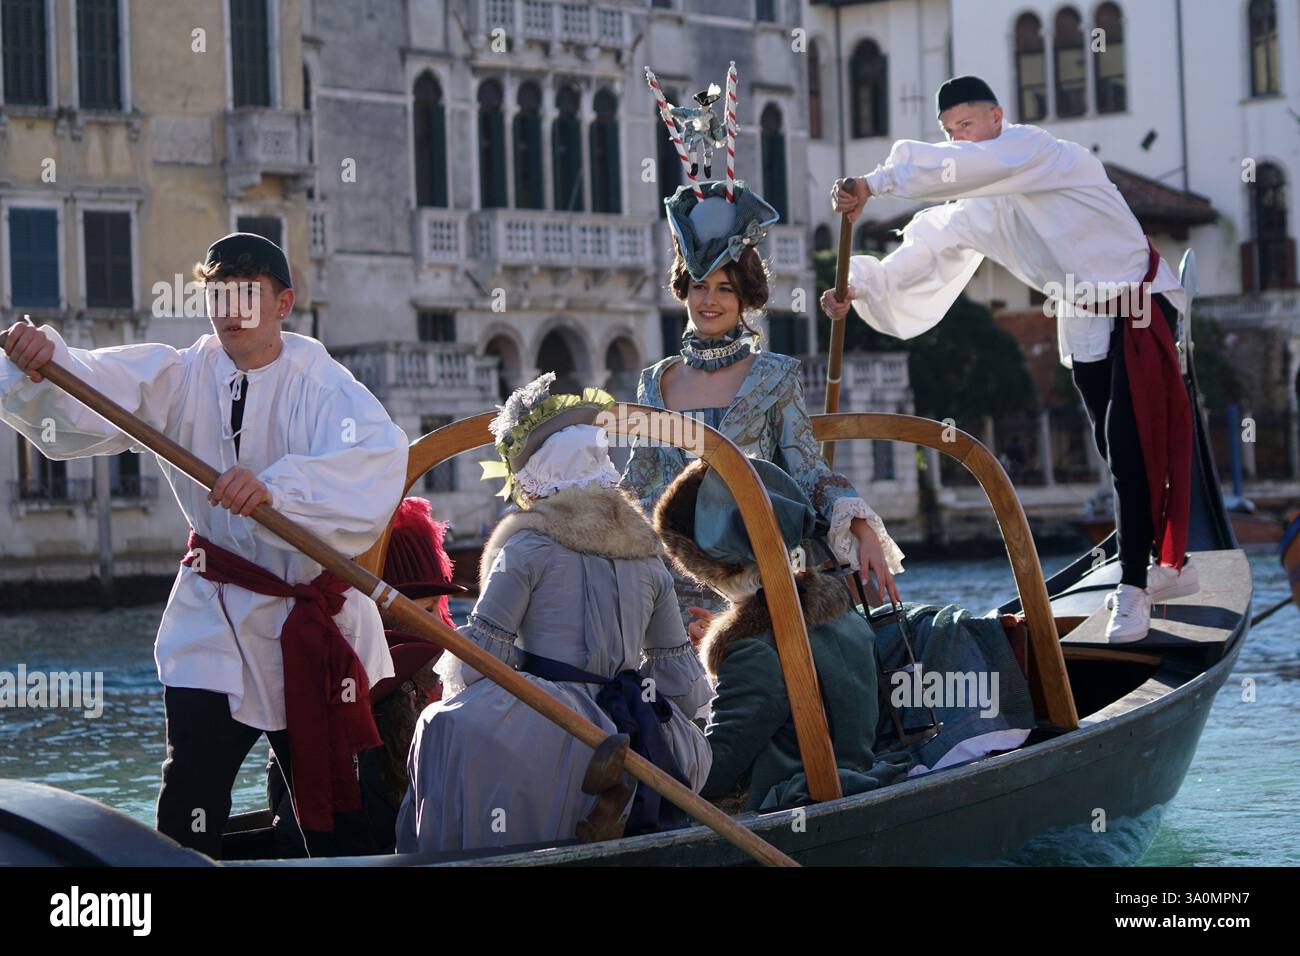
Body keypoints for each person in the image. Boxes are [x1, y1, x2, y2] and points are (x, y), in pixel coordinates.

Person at [0, 232, 409, 858]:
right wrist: (40, 358)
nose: (230, 310)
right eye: (218, 295)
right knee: (191, 781)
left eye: (248, 295)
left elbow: (376, 461)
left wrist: (275, 489)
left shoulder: (324, 384)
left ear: (283, 304)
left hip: (311, 622)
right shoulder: (183, 373)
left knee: (328, 802)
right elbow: (95, 381)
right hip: (214, 617)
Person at [822, 75, 1196, 643]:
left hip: (1139, 303)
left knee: (1128, 446)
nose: (961, 142)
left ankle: (1136, 587)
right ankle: (1159, 565)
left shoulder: (1040, 150)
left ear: (998, 117)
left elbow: (955, 169)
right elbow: (926, 247)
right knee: (1108, 445)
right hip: (1084, 311)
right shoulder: (981, 206)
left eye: (968, 127)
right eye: (950, 133)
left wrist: (876, 182)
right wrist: (858, 284)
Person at [624, 62, 904, 646]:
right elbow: (637, 489)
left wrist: (859, 523)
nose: (709, 300)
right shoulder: (656, 383)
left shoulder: (774, 376)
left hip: (759, 584)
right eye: (699, 286)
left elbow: (804, 470)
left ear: (745, 296)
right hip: (665, 593)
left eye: (724, 288)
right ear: (684, 291)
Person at [396, 374, 712, 855]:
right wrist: (680, 723)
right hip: (631, 719)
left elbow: (483, 656)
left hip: (552, 721)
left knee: (442, 727)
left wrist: (455, 694)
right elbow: (675, 672)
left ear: (539, 481)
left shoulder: (525, 544)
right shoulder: (647, 555)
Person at [653, 457, 913, 812]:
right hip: (854, 779)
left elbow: (712, 773)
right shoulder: (844, 616)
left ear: (707, 565)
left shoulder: (752, 650)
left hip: (779, 803)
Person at [265, 496, 466, 857]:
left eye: (436, 609)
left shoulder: (409, 683)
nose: (437, 624)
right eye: (423, 610)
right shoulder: (377, 696)